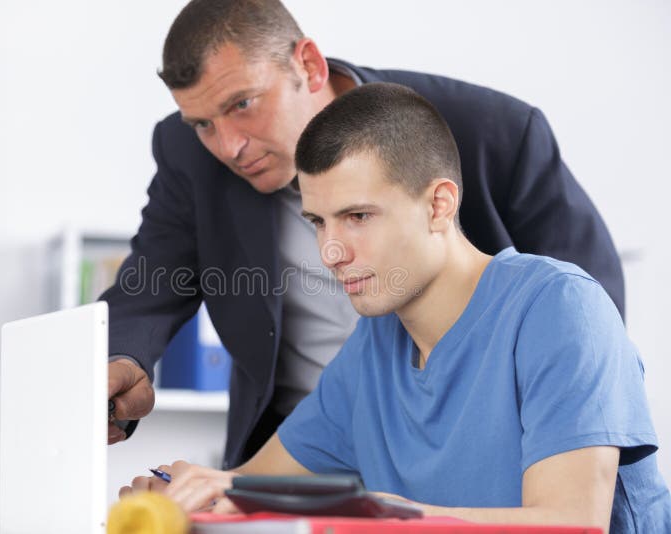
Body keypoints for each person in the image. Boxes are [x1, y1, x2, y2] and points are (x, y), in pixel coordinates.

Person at [119, 83, 670, 533]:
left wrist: (372, 513)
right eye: (318, 221)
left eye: (358, 217)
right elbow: (245, 488)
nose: (331, 252)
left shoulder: (559, 308)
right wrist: (192, 494)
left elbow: (570, 525)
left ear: (439, 204)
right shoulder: (374, 350)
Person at [102, 0, 625, 470]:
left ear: (308, 65)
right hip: (300, 438)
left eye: (243, 104)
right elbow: (153, 278)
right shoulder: (189, 153)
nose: (229, 146)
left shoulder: (494, 131)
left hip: (471, 445)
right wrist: (119, 367)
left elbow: (586, 311)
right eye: (202, 124)